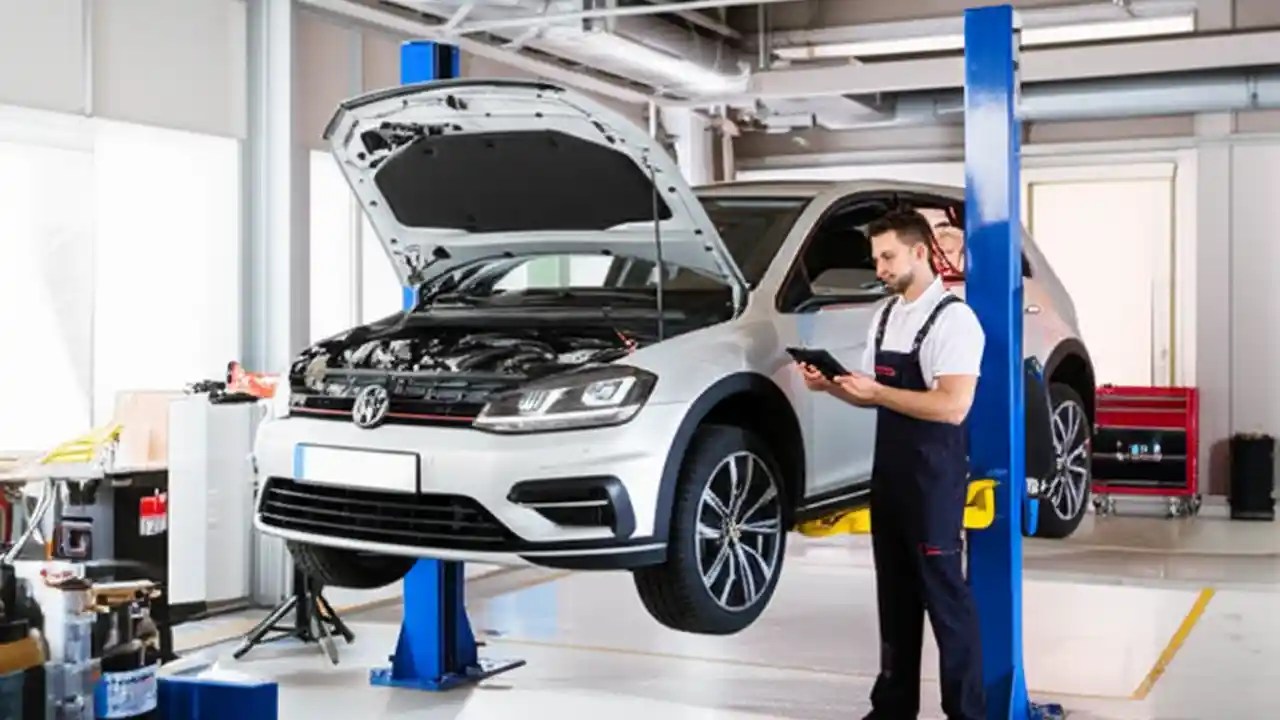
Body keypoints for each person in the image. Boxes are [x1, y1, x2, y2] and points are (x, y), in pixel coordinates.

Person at [797, 208, 987, 720]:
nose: (879, 267)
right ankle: (893, 709)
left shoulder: (955, 321)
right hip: (890, 477)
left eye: (888, 256)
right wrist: (833, 386)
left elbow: (953, 406)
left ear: (920, 252)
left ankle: (967, 713)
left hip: (934, 478)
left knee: (946, 601)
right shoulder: (885, 315)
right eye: (875, 258)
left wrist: (878, 390)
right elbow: (872, 395)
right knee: (896, 599)